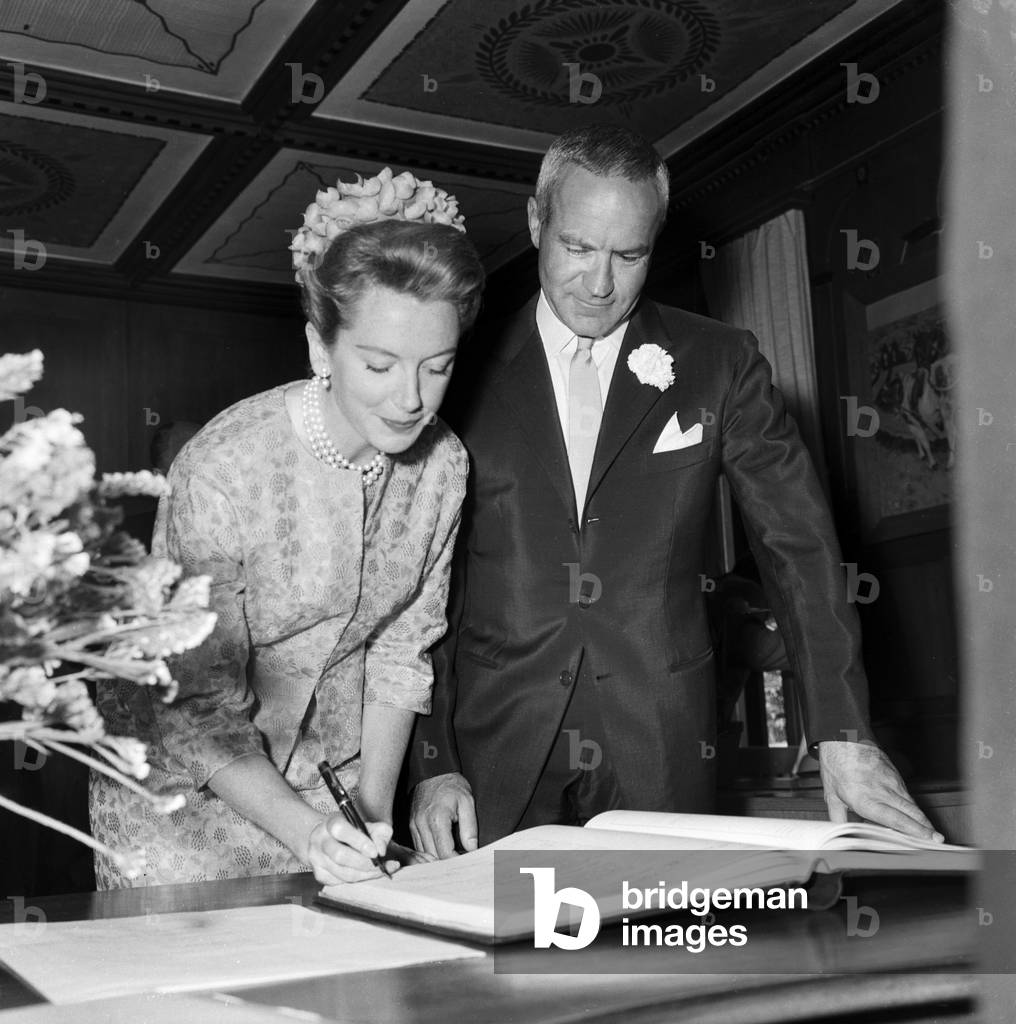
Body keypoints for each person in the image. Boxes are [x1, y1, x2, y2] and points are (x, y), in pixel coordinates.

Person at [408, 126, 942, 857]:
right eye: (576, 248)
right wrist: (431, 766)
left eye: (628, 256)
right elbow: (423, 591)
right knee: (505, 965)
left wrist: (843, 732)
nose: (600, 284)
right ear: (536, 222)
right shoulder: (452, 371)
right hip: (492, 748)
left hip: (659, 742)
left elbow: (799, 548)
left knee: (659, 960)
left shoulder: (721, 363)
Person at [89, 168, 485, 887]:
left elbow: (402, 652)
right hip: (184, 805)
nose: (409, 399)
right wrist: (309, 834)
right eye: (378, 363)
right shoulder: (222, 469)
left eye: (437, 367)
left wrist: (368, 807)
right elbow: (193, 705)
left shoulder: (445, 468)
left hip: (332, 794)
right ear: (317, 348)